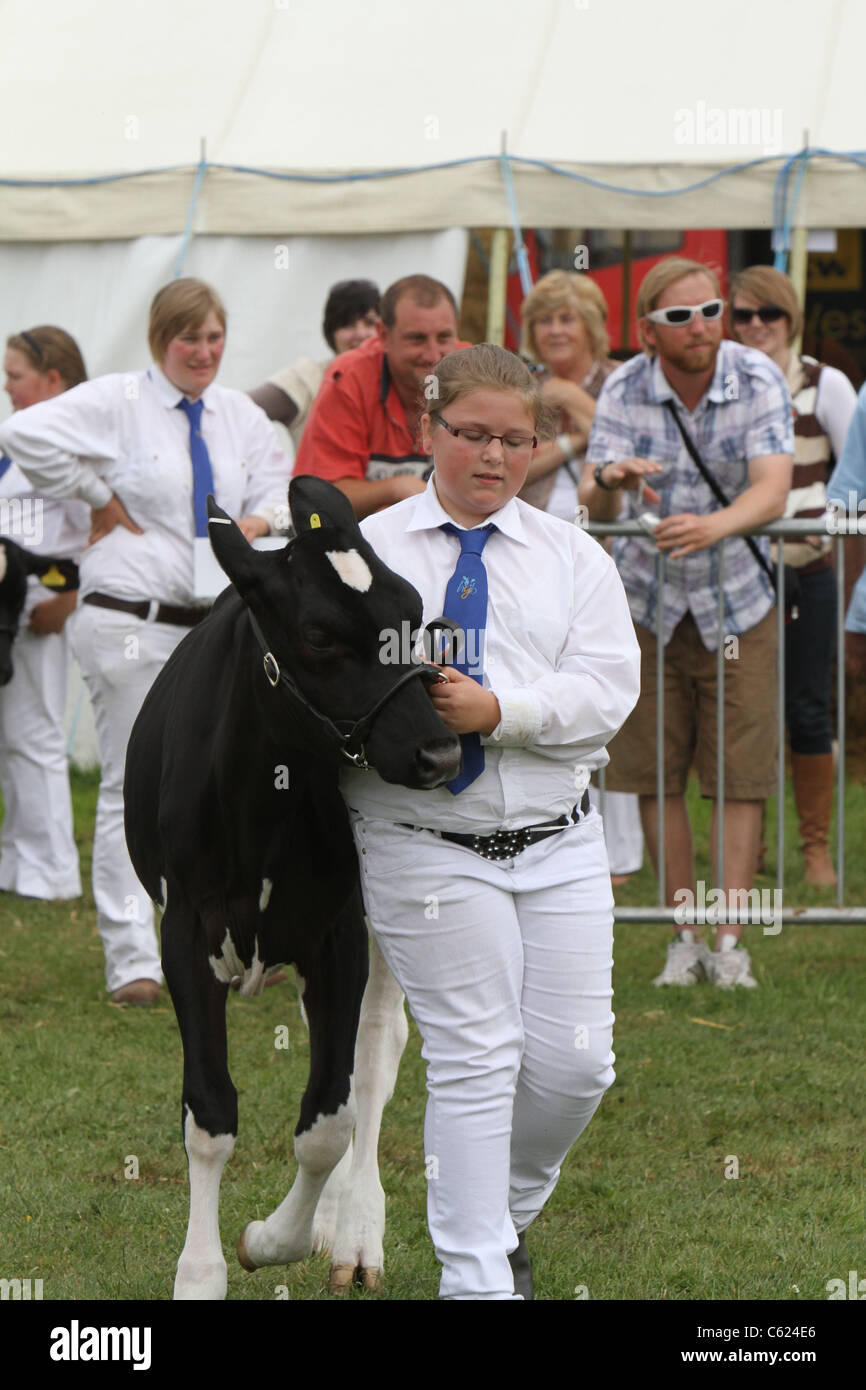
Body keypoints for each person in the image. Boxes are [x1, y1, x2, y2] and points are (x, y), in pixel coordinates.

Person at [340, 343, 640, 1299]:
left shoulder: (573, 555)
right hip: (420, 838)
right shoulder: (365, 556)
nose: (494, 456)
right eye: (472, 433)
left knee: (578, 1066)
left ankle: (500, 1213)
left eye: (516, 439)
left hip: (559, 838)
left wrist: (500, 713)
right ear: (431, 430)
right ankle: (476, 1282)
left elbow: (606, 693)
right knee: (477, 1053)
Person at [0, 278, 290, 1004]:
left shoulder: (238, 416)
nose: (203, 351)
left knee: (232, 784)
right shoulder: (117, 403)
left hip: (219, 627)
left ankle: (231, 941)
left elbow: (282, 483)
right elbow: (22, 433)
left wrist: (255, 523)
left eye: (214, 337)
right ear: (161, 339)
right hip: (128, 619)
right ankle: (133, 958)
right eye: (188, 337)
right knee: (136, 781)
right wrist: (97, 496)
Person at [582, 257, 794, 989]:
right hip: (647, 605)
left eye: (711, 310)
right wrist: (611, 481)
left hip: (741, 599)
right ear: (646, 331)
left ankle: (731, 941)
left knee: (739, 778)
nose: (701, 327)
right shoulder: (621, 386)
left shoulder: (757, 376)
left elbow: (773, 488)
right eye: (680, 317)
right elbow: (598, 505)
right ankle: (684, 936)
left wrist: (714, 526)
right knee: (659, 777)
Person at [730, 265, 857, 886]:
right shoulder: (724, 384)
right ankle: (748, 855)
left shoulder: (825, 382)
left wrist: (825, 522)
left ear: (791, 319)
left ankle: (813, 849)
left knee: (807, 708)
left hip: (808, 569)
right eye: (744, 315)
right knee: (746, 712)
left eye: (768, 315)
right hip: (737, 571)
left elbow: (856, 472)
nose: (756, 326)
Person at [519, 270, 644, 884]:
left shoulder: (621, 380)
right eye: (545, 319)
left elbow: (629, 447)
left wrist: (579, 408)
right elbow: (510, 466)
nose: (556, 329)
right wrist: (569, 439)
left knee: (609, 703)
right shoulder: (524, 388)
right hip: (538, 571)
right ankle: (558, 829)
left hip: (611, 569)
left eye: (568, 318)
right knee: (554, 701)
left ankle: (620, 854)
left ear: (593, 325)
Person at [0, 327, 91, 899]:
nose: (7, 387)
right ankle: (17, 860)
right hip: (11, 602)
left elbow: (95, 524)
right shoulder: (18, 441)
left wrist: (71, 597)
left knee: (35, 734)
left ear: (51, 379)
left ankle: (52, 870)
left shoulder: (71, 444)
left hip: (44, 601)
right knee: (13, 734)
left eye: (15, 375)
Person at [293, 273, 467, 519]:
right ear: (383, 336)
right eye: (416, 339)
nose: (432, 354)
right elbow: (316, 498)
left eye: (444, 337)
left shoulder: (474, 373)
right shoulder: (348, 377)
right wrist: (396, 489)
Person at [248, 278, 380, 449]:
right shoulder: (307, 379)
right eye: (347, 325)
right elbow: (234, 412)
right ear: (331, 332)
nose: (361, 334)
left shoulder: (401, 379)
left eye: (369, 323)